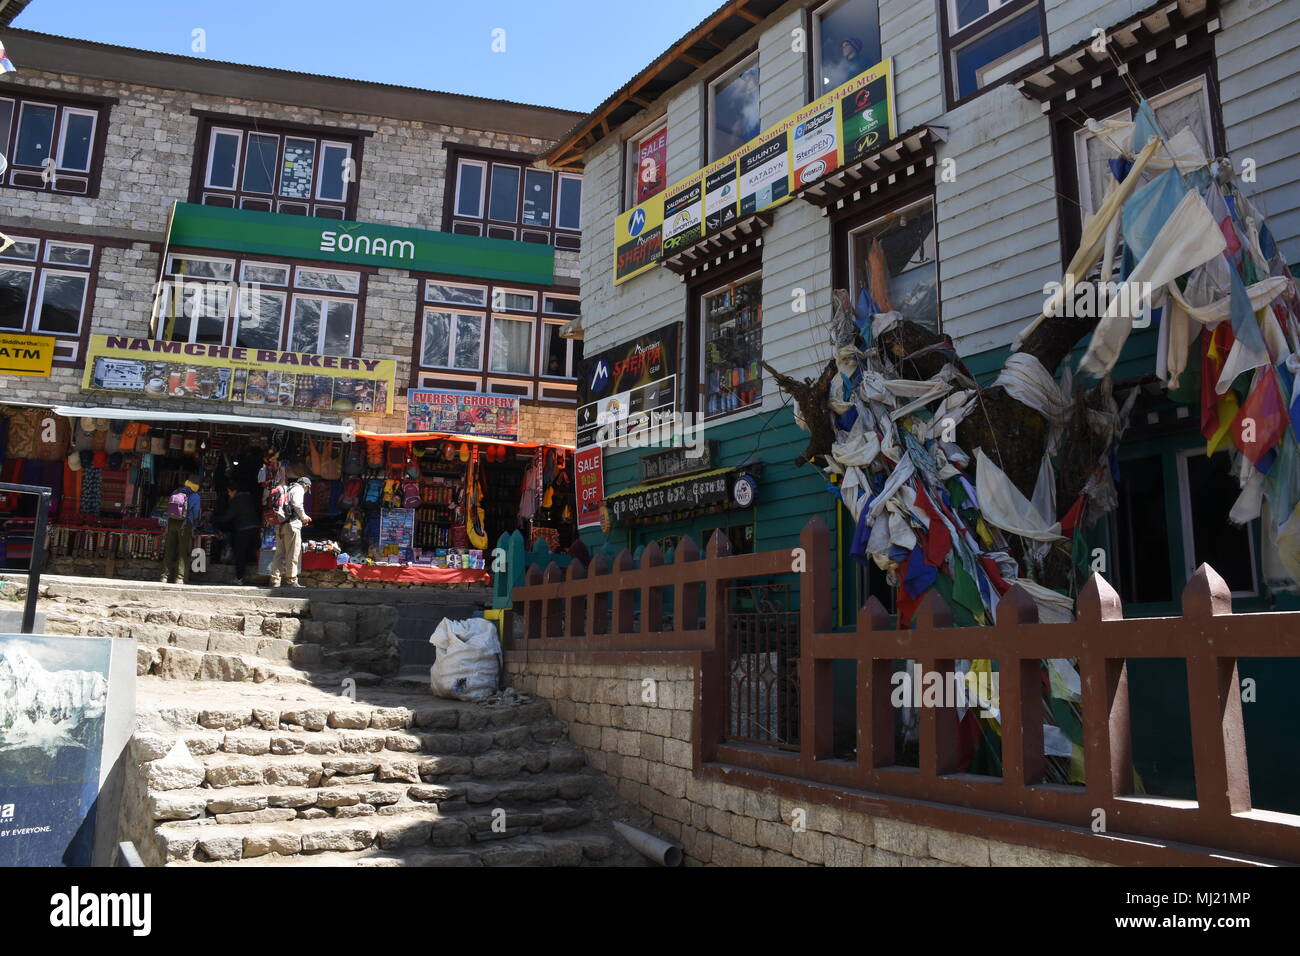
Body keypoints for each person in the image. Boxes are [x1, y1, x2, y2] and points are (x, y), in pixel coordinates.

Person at [270, 476, 312, 589]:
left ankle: (275, 580)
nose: (306, 490)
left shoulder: (288, 488)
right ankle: (291, 580)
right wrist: (303, 517)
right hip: (292, 526)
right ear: (305, 485)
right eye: (307, 488)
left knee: (279, 553)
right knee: (293, 553)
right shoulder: (298, 489)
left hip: (281, 525)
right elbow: (297, 504)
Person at [160, 475, 202, 585]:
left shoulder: (176, 491)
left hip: (171, 521)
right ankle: (179, 578)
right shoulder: (195, 496)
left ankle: (164, 576)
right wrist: (195, 523)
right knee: (182, 551)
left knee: (169, 548)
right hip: (185, 524)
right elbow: (196, 513)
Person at [218, 485, 261, 585]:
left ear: (233, 491)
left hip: (243, 530)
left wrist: (214, 519)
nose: (229, 494)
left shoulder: (236, 500)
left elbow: (228, 517)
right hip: (255, 528)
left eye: (229, 492)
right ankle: (264, 573)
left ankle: (239, 578)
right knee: (257, 550)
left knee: (240, 554)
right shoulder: (249, 498)